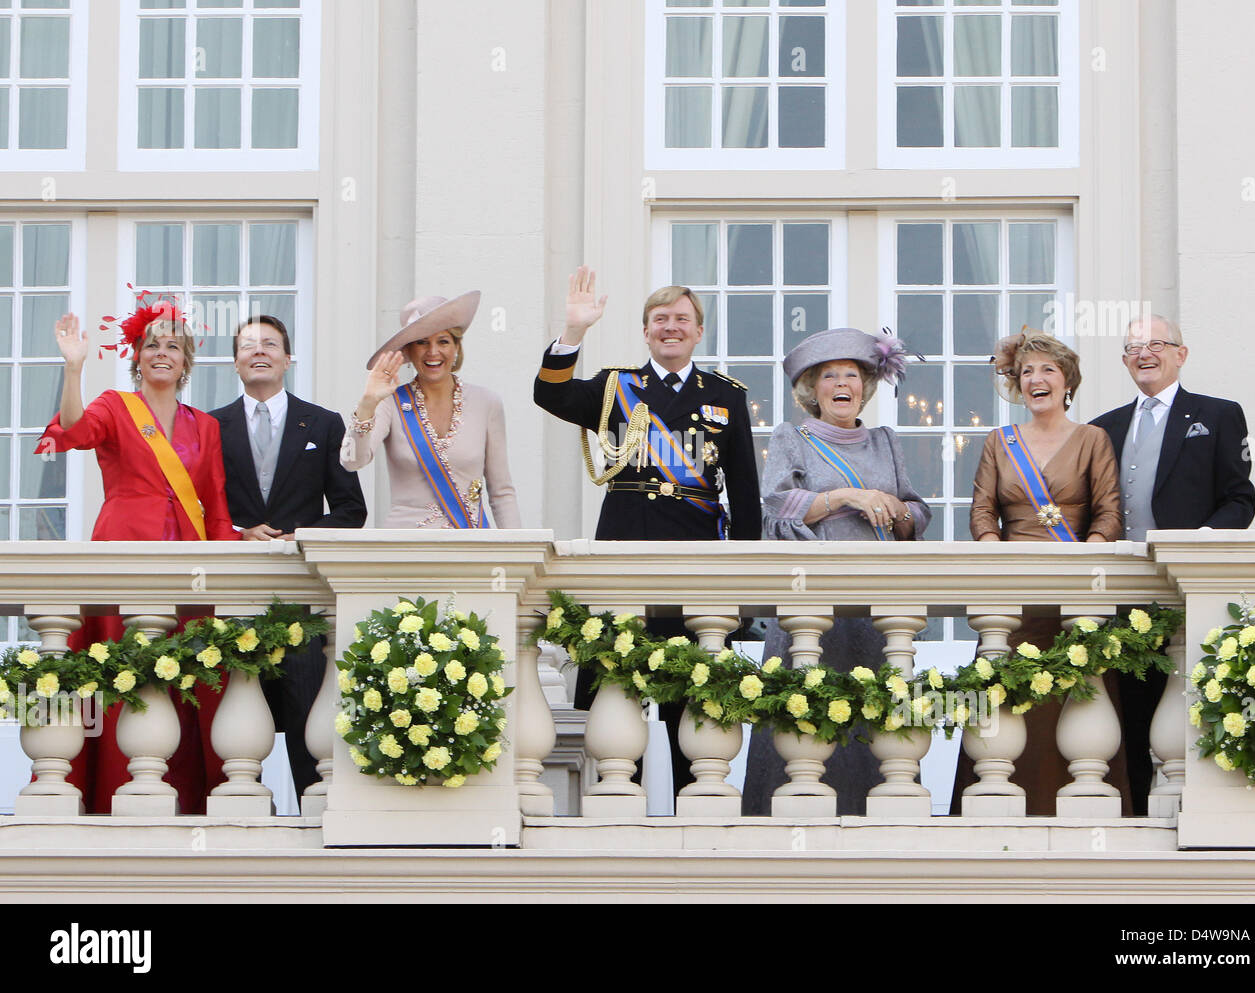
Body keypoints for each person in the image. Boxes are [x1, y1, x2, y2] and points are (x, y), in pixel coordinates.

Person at [533, 266, 762, 796]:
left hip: (696, 554)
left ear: (699, 331)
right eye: (660, 319)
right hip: (626, 546)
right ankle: (617, 809)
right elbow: (551, 397)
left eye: (682, 319)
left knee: (693, 694)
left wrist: (747, 577)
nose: (671, 327)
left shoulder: (725, 396)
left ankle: (696, 809)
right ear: (646, 331)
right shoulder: (618, 387)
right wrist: (573, 332)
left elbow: (745, 491)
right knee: (619, 679)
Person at [38, 298, 239, 814]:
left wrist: (234, 563)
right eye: (152, 344)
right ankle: (107, 796)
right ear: (137, 355)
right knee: (120, 677)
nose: (162, 352)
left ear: (186, 360)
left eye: (173, 345)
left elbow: (215, 508)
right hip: (124, 550)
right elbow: (73, 432)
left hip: (188, 565)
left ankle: (186, 801)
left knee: (183, 683)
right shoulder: (114, 406)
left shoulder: (206, 427)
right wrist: (74, 366)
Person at [740, 327, 931, 816]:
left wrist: (895, 508)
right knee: (803, 712)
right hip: (812, 600)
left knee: (875, 717)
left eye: (852, 374)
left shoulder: (886, 442)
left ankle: (883, 829)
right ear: (811, 388)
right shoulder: (792, 437)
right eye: (829, 376)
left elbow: (917, 510)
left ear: (865, 387)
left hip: (875, 605)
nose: (842, 384)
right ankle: (785, 828)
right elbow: (778, 509)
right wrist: (847, 497)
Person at [950, 330, 1128, 816]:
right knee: (1009, 699)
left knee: (1078, 699)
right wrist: (997, 554)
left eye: (1047, 369)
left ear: (1067, 380)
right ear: (1017, 385)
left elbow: (1110, 514)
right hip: (1014, 592)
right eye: (1026, 372)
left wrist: (1082, 560)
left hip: (1073, 592)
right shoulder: (998, 442)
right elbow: (982, 513)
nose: (1036, 379)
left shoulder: (1093, 439)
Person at [1090, 314, 1255, 814]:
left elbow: (1239, 500)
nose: (1145, 353)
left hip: (1188, 587)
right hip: (1122, 590)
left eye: (1157, 344)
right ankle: (1140, 811)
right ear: (1123, 360)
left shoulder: (1220, 415)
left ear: (1181, 354)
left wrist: (1200, 546)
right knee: (1133, 706)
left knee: (1191, 700)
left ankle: (1199, 810)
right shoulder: (1105, 427)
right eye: (1134, 347)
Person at [210, 314, 367, 798]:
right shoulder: (211, 427)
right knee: (229, 718)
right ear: (235, 361)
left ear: (287, 357)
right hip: (230, 598)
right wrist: (238, 533)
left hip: (301, 600)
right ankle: (234, 822)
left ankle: (314, 815)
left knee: (306, 716)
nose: (260, 352)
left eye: (271, 344)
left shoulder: (322, 422)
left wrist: (297, 535)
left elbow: (351, 510)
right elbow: (196, 509)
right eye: (248, 346)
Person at [342, 291, 521, 529]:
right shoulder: (390, 402)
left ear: (457, 346)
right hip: (406, 549)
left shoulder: (486, 402)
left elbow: (501, 492)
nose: (433, 352)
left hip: (468, 548)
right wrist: (368, 403)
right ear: (409, 350)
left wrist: (515, 554)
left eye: (443, 341)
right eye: (422, 342)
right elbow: (351, 461)